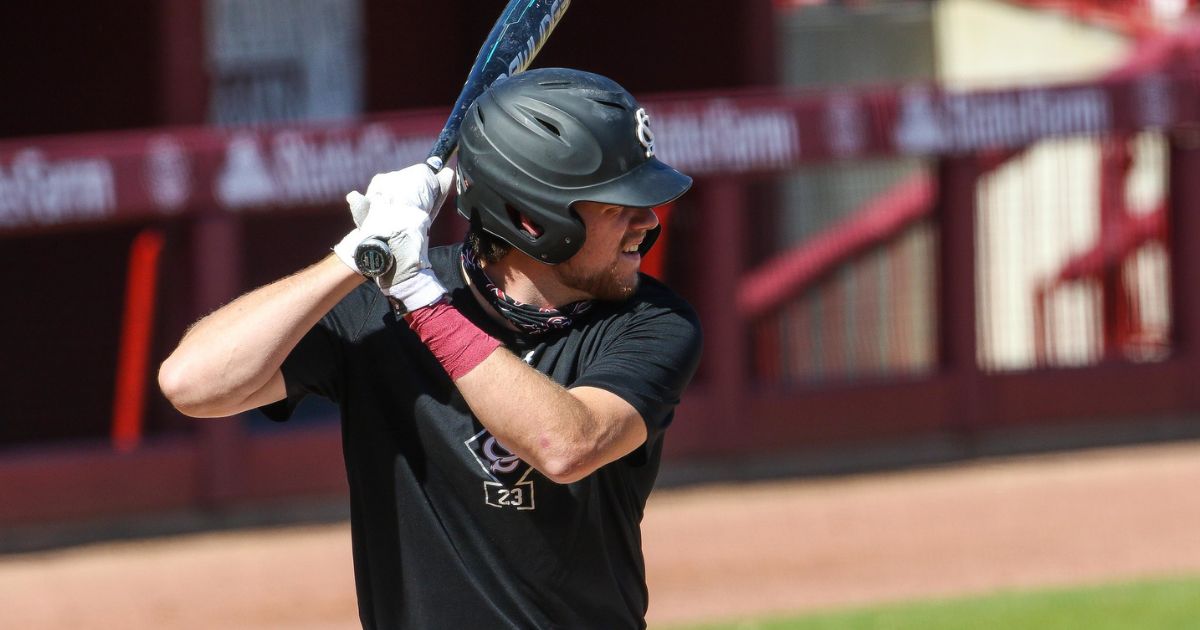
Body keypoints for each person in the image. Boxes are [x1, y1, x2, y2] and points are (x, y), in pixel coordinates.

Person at [158, 68, 703, 630]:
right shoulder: (377, 308)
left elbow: (566, 445)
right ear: (532, 216)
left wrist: (419, 297)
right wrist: (353, 257)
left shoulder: (653, 323)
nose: (647, 222)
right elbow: (191, 385)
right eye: (617, 207)